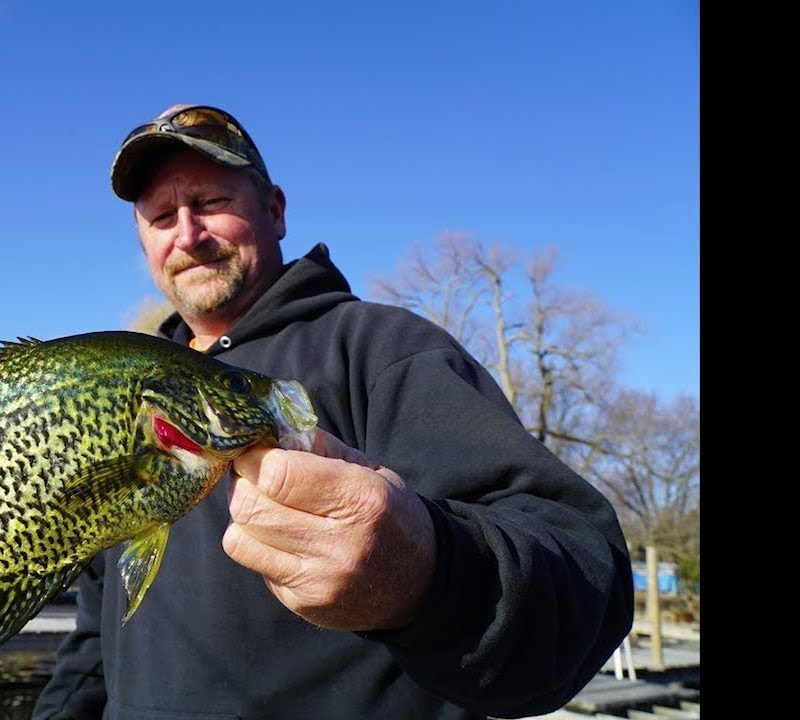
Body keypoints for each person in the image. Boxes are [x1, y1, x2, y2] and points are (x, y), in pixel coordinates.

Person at [32, 104, 635, 720]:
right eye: (162, 217)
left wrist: (428, 572)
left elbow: (590, 574)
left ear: (274, 210)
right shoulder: (111, 397)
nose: (187, 234)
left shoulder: (383, 349)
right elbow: (95, 637)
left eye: (211, 202)